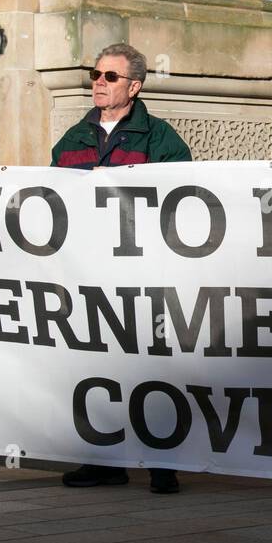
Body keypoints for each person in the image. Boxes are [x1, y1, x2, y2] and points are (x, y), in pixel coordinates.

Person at [52, 43, 192, 494]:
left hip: (142, 277)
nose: (98, 82)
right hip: (88, 276)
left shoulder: (160, 138)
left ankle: (161, 463)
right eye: (95, 74)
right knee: (93, 366)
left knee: (149, 367)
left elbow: (182, 202)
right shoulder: (73, 138)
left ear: (134, 86)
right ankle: (103, 460)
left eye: (109, 77)